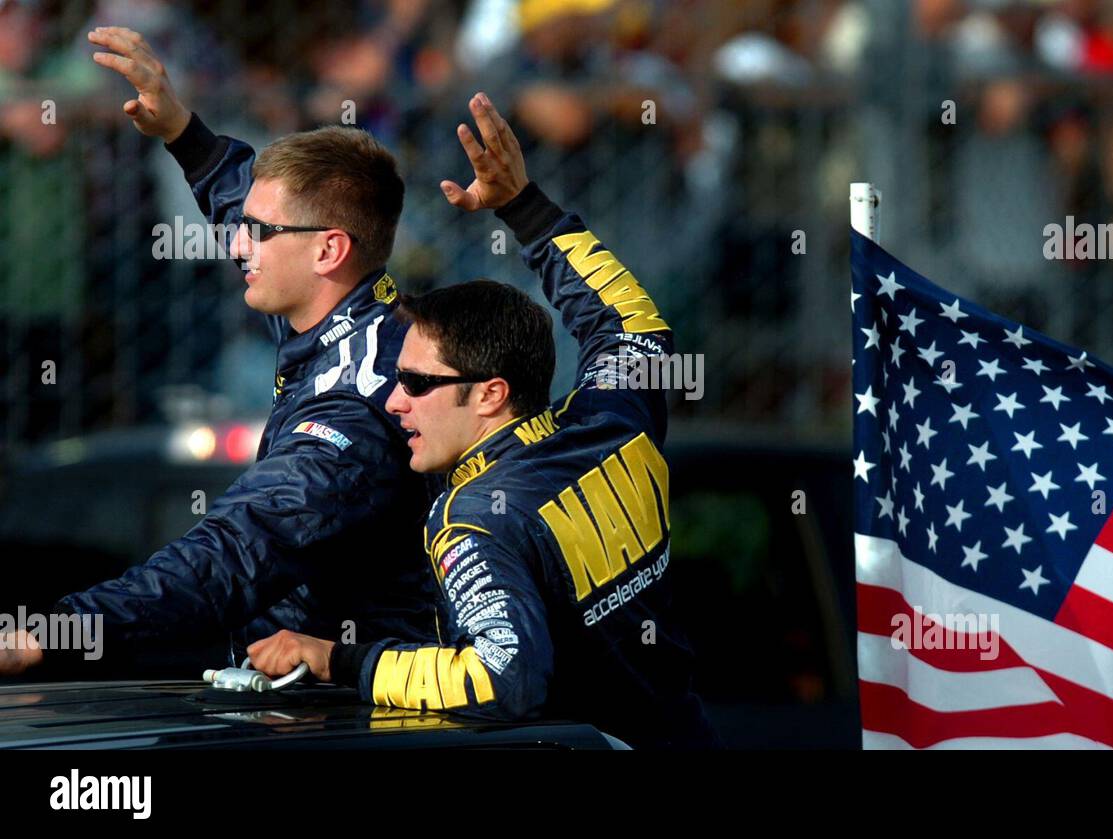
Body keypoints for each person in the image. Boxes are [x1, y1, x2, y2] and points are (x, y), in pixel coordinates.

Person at [247, 93, 719, 749]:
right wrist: (524, 206)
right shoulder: (612, 419)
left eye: (416, 383)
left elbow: (503, 677)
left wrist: (337, 658)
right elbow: (634, 326)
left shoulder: (471, 517)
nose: (394, 401)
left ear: (492, 393)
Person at [0, 27, 438, 677]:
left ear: (328, 250)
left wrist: (51, 633)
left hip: (351, 704)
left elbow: (228, 558)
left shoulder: (353, 409)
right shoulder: (350, 306)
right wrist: (181, 129)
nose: (237, 245)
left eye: (260, 234)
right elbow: (242, 198)